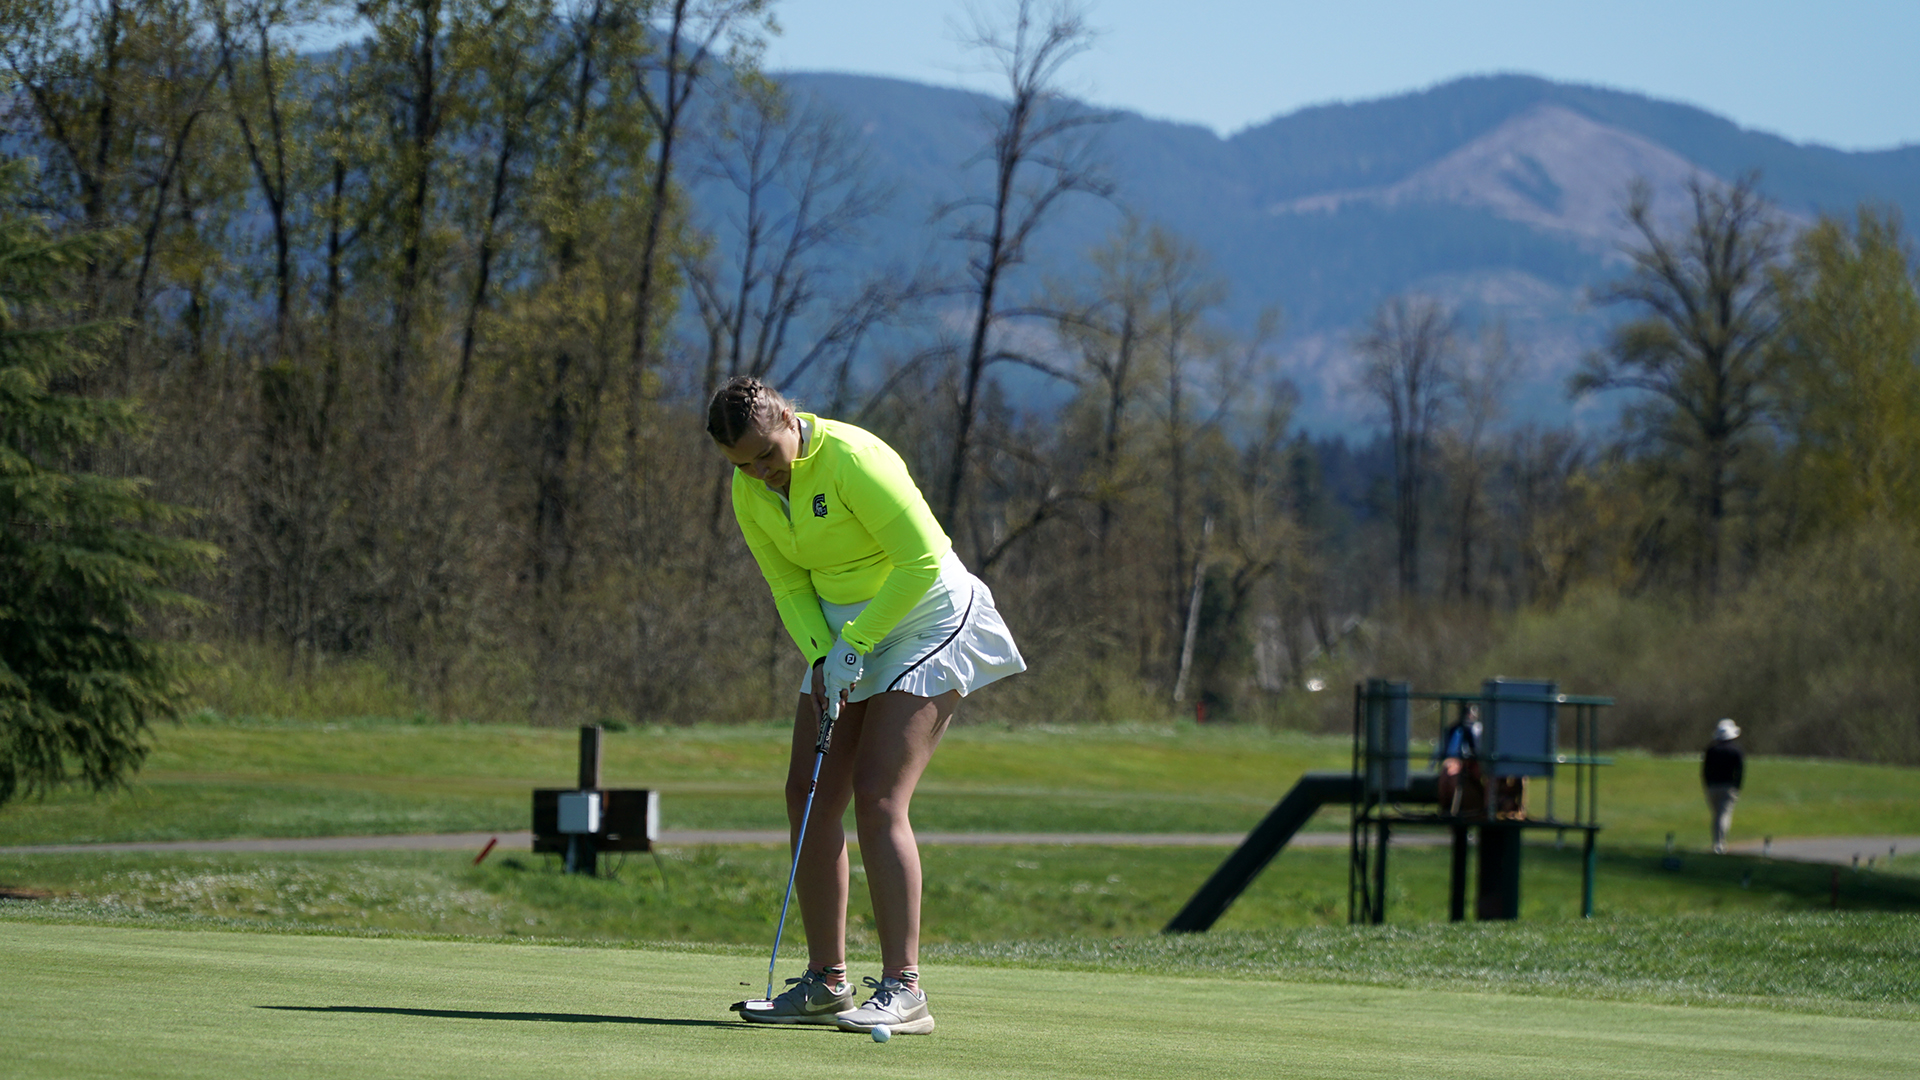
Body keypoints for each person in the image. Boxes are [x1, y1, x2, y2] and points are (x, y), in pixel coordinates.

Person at [708, 376, 1025, 1036]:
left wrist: (857, 642)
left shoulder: (854, 459)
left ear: (789, 422)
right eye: (743, 464)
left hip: (927, 613)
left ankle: (905, 989)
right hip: (846, 632)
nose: (761, 473)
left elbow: (918, 560)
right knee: (809, 789)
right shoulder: (749, 491)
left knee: (880, 794)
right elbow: (787, 585)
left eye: (767, 454)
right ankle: (828, 983)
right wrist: (825, 656)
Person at [1433, 704, 1485, 816]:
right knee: (1447, 772)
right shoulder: (1453, 729)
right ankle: (1446, 808)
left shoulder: (1477, 729)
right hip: (1453, 760)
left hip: (1469, 762)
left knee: (1454, 776)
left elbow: (1477, 750)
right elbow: (1441, 749)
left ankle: (1455, 808)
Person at [1702, 718, 1745, 854]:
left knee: (1716, 816)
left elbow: (1705, 770)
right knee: (1723, 815)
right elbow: (1739, 771)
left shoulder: (1711, 750)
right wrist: (1737, 786)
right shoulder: (1736, 751)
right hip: (1728, 787)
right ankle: (1720, 843)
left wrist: (1707, 784)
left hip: (1713, 786)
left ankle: (1717, 842)